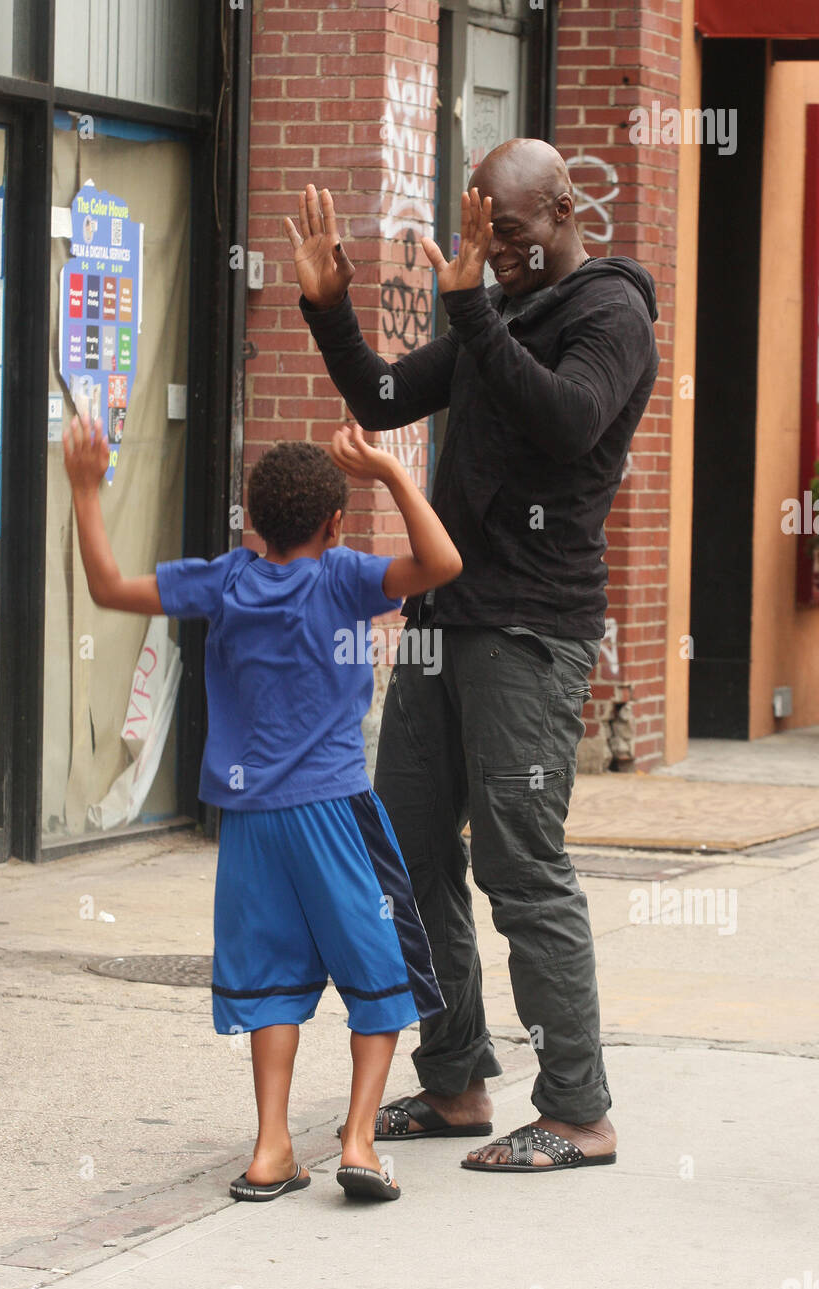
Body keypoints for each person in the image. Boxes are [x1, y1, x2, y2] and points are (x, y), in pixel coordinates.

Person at [284, 138, 660, 1172]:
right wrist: (329, 310)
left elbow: (569, 420)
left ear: (566, 211)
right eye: (482, 237)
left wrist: (473, 311)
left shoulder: (607, 312)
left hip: (529, 630)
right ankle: (453, 1081)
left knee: (517, 866)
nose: (493, 255)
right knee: (402, 852)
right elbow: (385, 400)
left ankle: (578, 1110)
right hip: (448, 620)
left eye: (510, 237)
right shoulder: (503, 305)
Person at [62, 415, 460, 1201]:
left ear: (252, 521)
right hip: (334, 813)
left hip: (247, 822)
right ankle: (356, 1142)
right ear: (334, 523)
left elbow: (109, 588)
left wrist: (84, 490)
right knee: (381, 975)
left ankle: (271, 1149)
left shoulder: (224, 580)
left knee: (274, 978)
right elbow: (442, 561)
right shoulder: (343, 576)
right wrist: (388, 470)